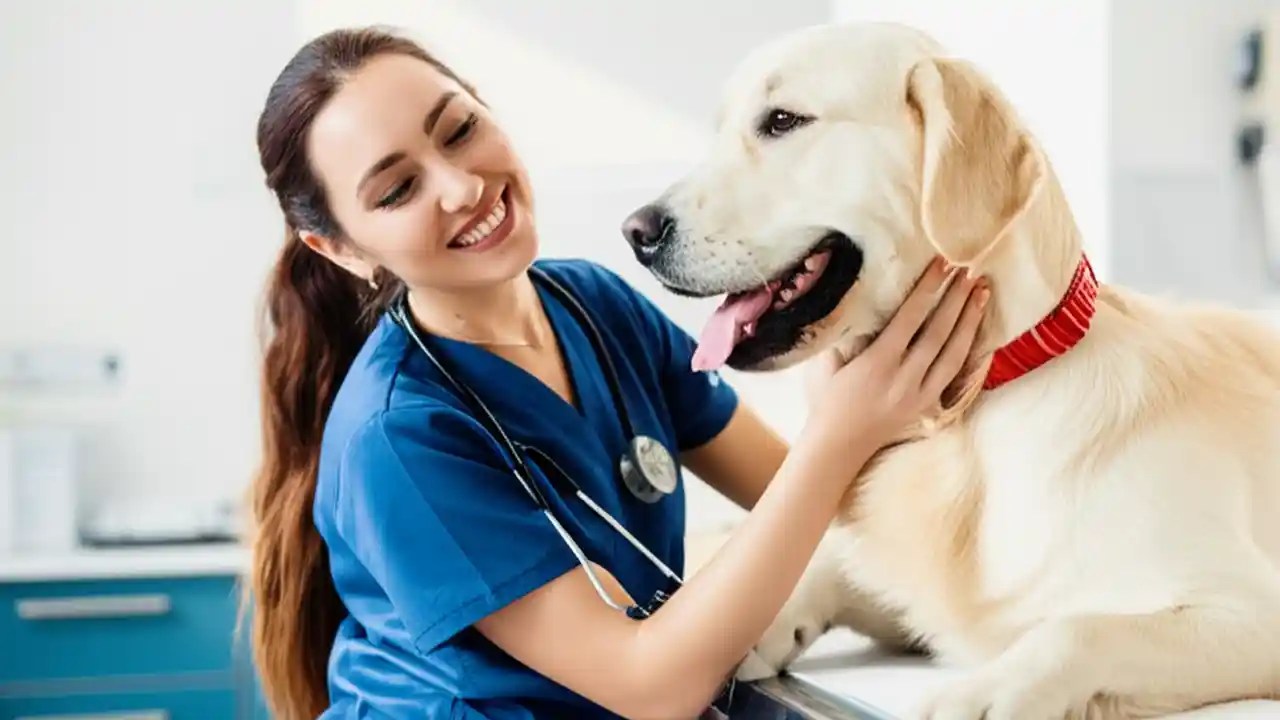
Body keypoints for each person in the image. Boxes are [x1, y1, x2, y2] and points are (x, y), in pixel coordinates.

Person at [247, 26, 989, 720]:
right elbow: (650, 686)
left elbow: (808, 496)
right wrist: (842, 429)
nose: (460, 186)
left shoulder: (594, 307)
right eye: (397, 190)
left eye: (460, 129)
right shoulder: (399, 437)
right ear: (341, 248)